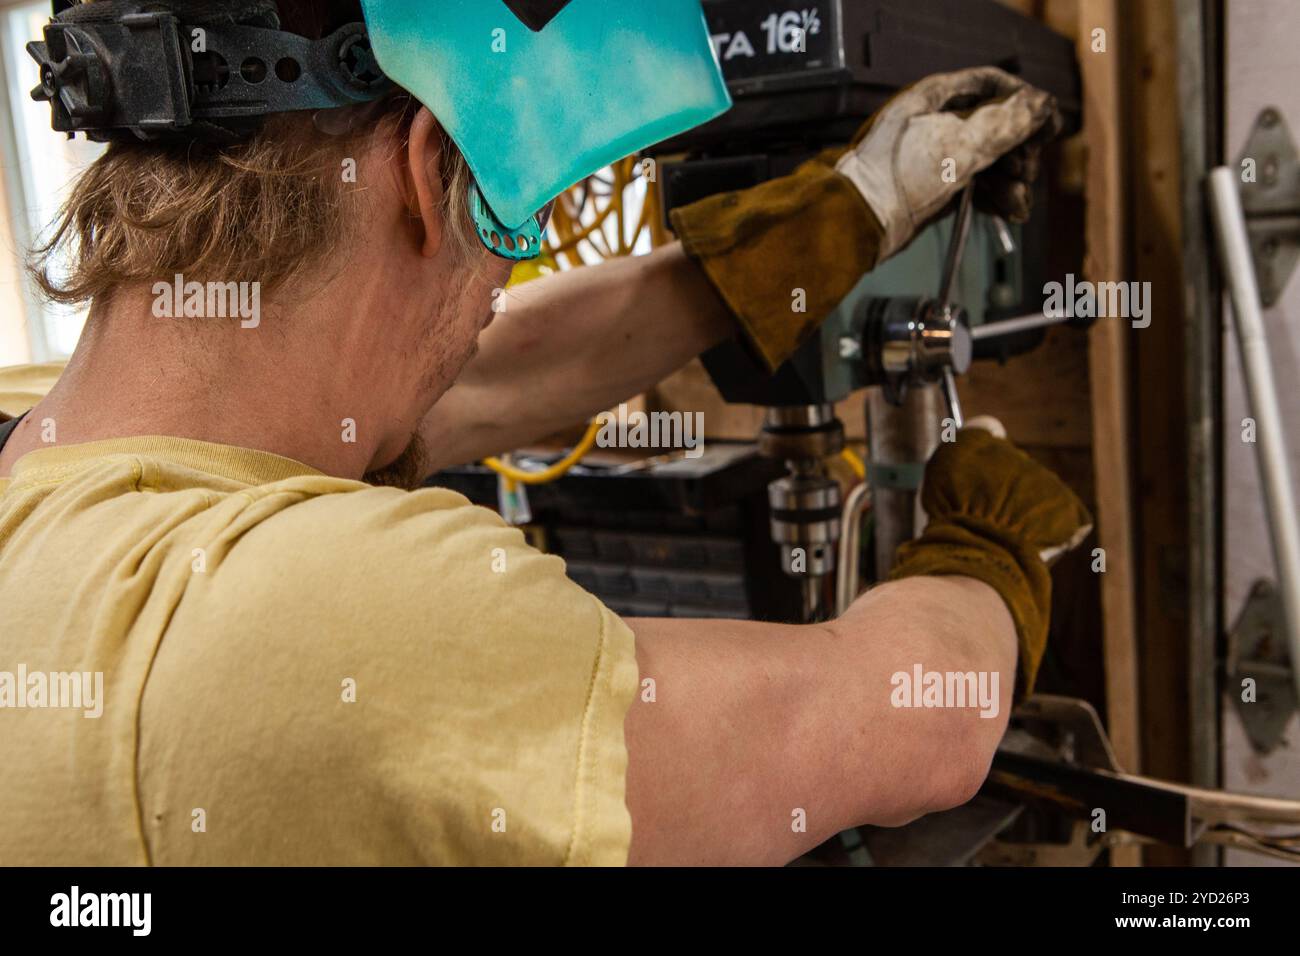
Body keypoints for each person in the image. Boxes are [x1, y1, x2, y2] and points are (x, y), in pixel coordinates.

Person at [0, 0, 1089, 865]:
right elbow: (904, 721)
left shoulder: (55, 481)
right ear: (429, 171)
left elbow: (494, 372)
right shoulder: (328, 618)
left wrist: (835, 217)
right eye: (508, 222)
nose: (500, 283)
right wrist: (988, 550)